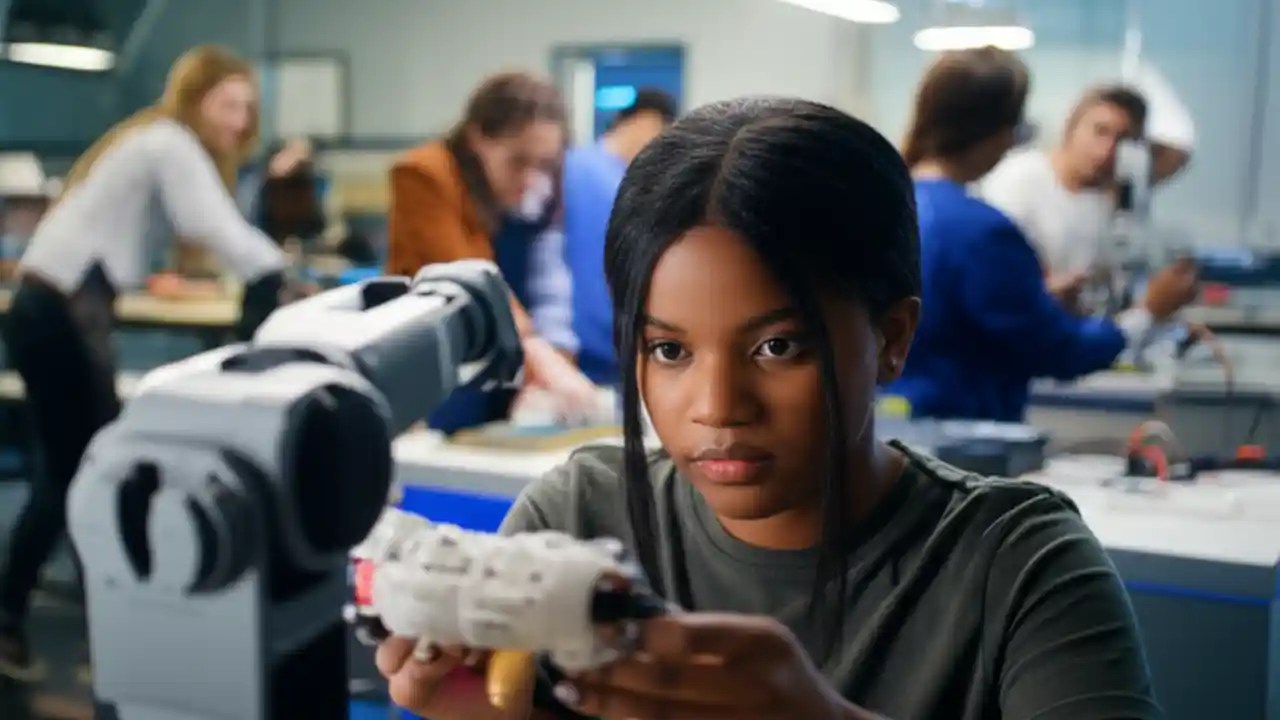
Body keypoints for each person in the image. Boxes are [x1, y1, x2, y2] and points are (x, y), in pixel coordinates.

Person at [374, 96, 1161, 720]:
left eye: (779, 347)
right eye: (669, 351)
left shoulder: (1018, 565)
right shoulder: (581, 512)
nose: (717, 408)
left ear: (891, 337)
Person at [0, 45, 290, 680]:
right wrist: (277, 271)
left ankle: (78, 630)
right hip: (59, 317)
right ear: (195, 99)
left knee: (79, 471)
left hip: (57, 313)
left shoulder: (155, 141)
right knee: (87, 474)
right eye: (228, 104)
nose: (240, 121)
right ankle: (66, 630)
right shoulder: (167, 140)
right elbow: (212, 224)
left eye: (248, 108)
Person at [888, 48, 1199, 423]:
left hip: (889, 427)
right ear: (1000, 131)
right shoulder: (982, 231)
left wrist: (1033, 301)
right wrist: (1149, 312)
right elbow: (1060, 351)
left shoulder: (889, 204)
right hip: (960, 439)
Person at [387, 72, 596, 424]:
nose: (530, 178)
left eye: (543, 163)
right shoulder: (424, 175)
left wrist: (554, 365)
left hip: (506, 361)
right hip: (437, 362)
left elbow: (551, 290)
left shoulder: (541, 189)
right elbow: (469, 276)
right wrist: (542, 361)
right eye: (517, 161)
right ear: (477, 138)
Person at [982, 81, 1193, 308]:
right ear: (1071, 128)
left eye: (1122, 139)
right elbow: (992, 271)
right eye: (1100, 131)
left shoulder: (1112, 196)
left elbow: (1178, 156)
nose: (1107, 149)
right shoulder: (1020, 178)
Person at [562, 88, 678, 385]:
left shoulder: (617, 178)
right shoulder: (583, 171)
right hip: (587, 341)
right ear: (646, 121)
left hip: (604, 342)